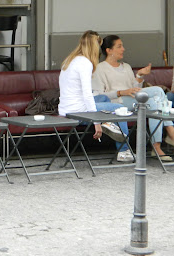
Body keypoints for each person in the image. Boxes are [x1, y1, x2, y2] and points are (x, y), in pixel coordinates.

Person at [94, 35, 174, 161]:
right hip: (116, 104)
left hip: (133, 101)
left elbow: (135, 89)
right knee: (157, 91)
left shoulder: (126, 67)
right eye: (119, 46)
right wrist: (121, 92)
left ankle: (156, 147)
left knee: (154, 103)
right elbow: (101, 96)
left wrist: (139, 76)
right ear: (109, 50)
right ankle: (171, 132)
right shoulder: (100, 69)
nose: (123, 49)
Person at [57, 30, 134, 163]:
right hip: (78, 111)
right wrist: (96, 121)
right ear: (95, 46)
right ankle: (123, 151)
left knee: (103, 99)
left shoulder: (70, 60)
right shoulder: (85, 63)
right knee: (120, 109)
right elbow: (87, 94)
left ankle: (109, 123)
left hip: (65, 108)